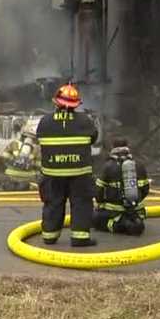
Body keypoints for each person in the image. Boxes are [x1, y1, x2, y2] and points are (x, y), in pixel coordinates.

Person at [36, 83, 98, 247]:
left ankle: (50, 236)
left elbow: (39, 139)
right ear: (76, 104)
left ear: (55, 102)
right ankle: (80, 238)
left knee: (53, 203)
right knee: (81, 203)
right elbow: (93, 138)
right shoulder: (85, 121)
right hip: (79, 173)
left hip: (52, 174)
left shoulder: (45, 122)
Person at [94, 138, 150, 236]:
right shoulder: (139, 164)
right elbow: (145, 189)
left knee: (94, 219)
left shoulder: (108, 166)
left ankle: (120, 225)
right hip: (137, 211)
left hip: (115, 212)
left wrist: (101, 204)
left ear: (112, 147)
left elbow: (98, 191)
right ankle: (135, 221)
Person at [0, 118, 39, 191]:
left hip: (11, 176)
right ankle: (29, 186)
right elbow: (39, 165)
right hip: (29, 177)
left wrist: (13, 160)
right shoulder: (36, 148)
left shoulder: (13, 144)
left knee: (9, 188)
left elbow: (3, 157)